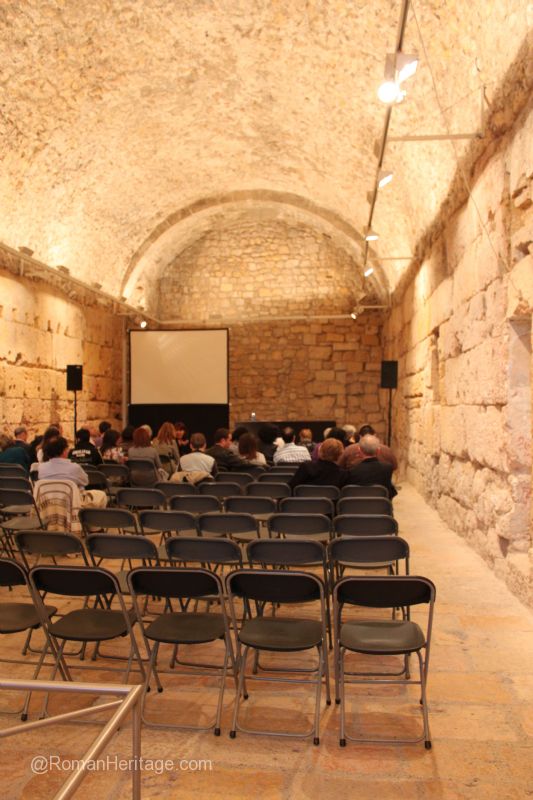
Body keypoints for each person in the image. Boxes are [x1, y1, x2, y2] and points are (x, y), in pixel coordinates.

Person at [36, 437, 107, 507]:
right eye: (67, 448)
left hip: (49, 501)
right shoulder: (74, 467)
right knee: (102, 495)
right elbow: (86, 482)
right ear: (64, 451)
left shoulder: (41, 468)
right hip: (72, 502)